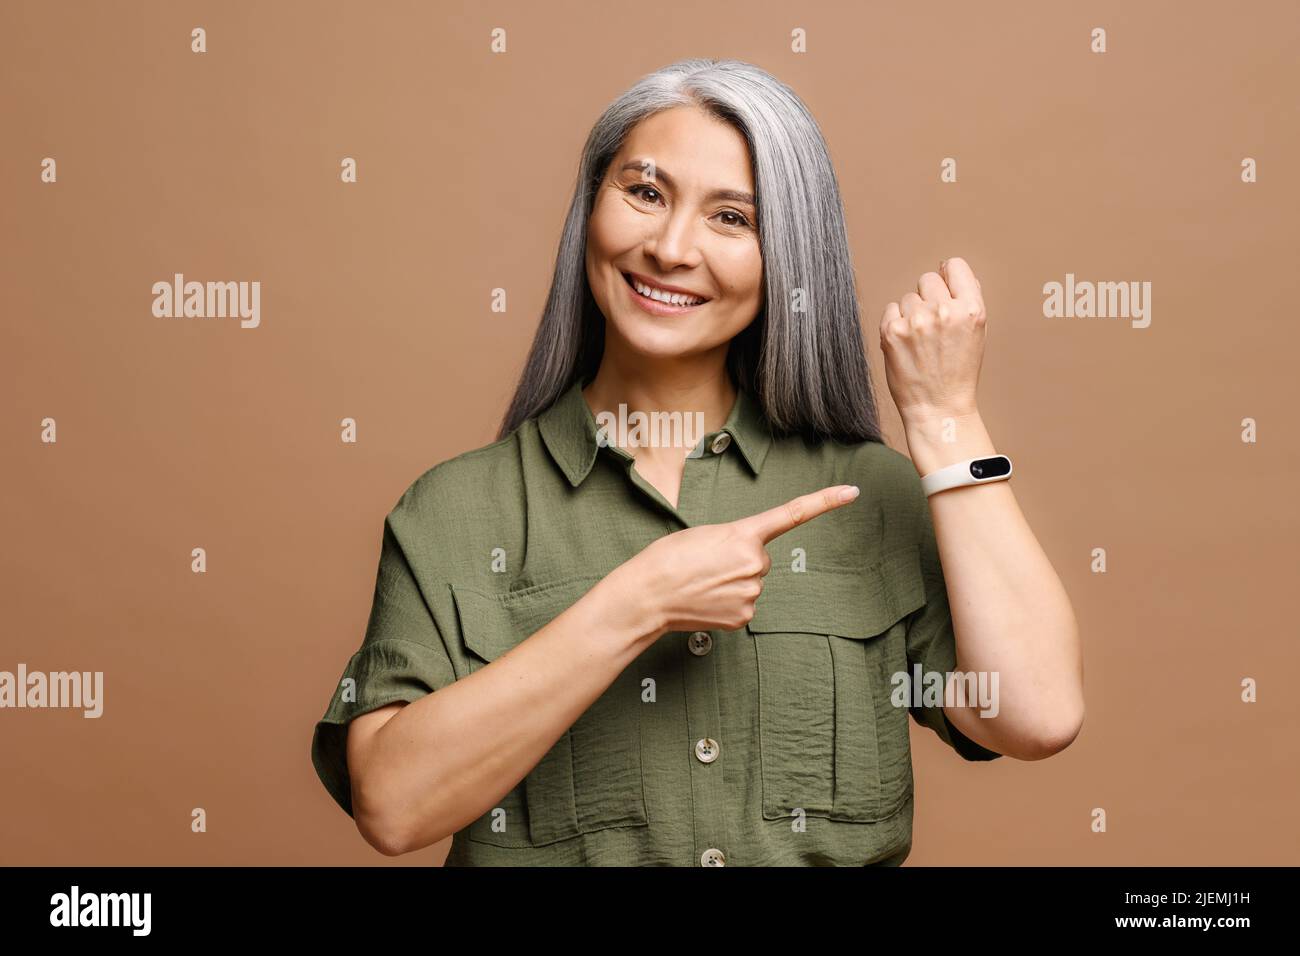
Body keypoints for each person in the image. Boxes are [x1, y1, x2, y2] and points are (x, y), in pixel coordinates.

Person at [310, 58, 1084, 866]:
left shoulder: (870, 494)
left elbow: (1035, 715)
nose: (671, 248)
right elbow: (393, 808)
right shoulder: (456, 512)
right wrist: (634, 605)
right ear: (590, 210)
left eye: (733, 219)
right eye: (644, 192)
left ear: (787, 257)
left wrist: (946, 419)